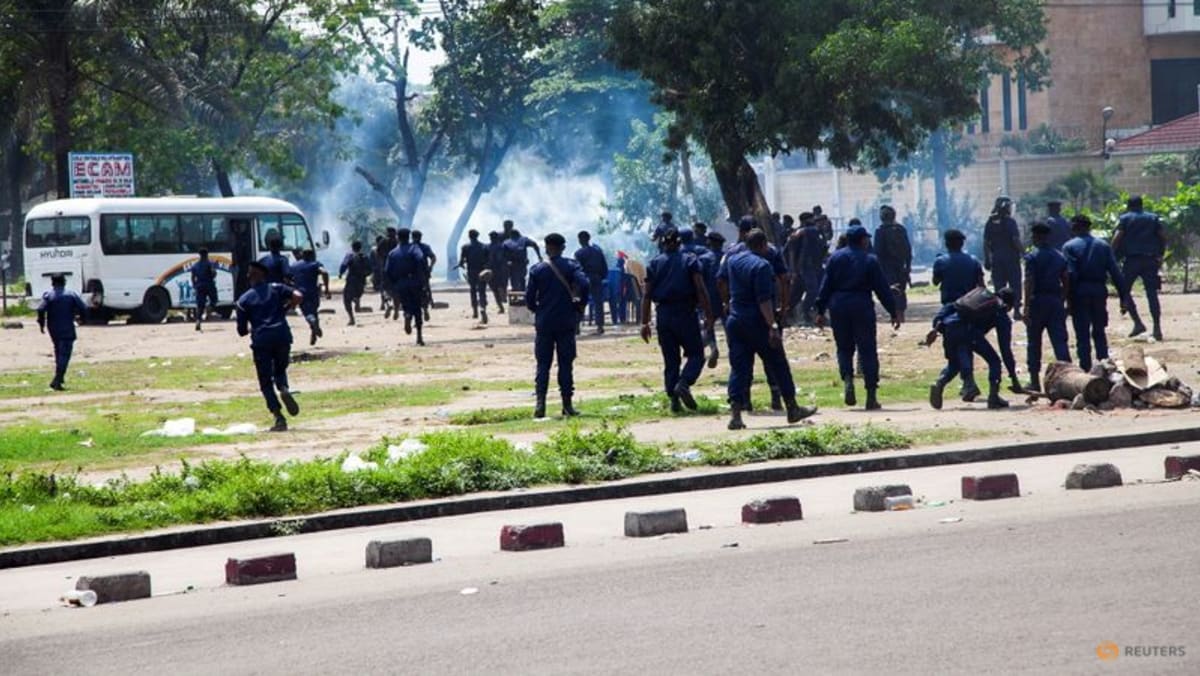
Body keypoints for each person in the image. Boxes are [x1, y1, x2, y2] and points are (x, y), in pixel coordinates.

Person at [719, 229, 816, 430]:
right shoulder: (762, 266)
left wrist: (727, 304)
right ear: (763, 245)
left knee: (739, 368)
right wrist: (772, 326)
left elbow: (723, 284)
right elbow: (764, 300)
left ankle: (736, 414)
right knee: (778, 363)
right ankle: (792, 407)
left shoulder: (733, 260)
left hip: (736, 321)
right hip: (758, 322)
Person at [814, 225, 902, 410]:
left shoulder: (835, 258)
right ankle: (871, 395)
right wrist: (893, 311)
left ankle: (848, 380)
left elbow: (825, 286)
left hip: (838, 306)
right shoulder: (870, 260)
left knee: (844, 348)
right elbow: (882, 289)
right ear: (862, 240)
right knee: (867, 348)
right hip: (861, 305)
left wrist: (820, 310)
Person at [640, 228, 715, 412]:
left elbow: (647, 295)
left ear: (663, 243)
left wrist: (644, 322)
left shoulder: (654, 263)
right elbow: (700, 289)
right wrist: (708, 314)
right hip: (686, 313)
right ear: (679, 242)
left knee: (671, 359)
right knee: (696, 354)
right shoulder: (689, 260)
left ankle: (674, 400)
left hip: (664, 315)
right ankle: (684, 382)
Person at [526, 233, 590, 418]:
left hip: (544, 322)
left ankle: (540, 405)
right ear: (562, 248)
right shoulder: (572, 266)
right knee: (565, 364)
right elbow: (584, 284)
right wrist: (580, 304)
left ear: (547, 248)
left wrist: (538, 309)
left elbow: (529, 299)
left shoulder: (537, 269)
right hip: (566, 321)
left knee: (543, 364)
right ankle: (567, 405)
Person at [236, 261, 302, 432]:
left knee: (265, 382)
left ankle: (279, 417)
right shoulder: (277, 288)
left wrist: (254, 326)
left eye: (250, 273)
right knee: (280, 370)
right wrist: (286, 308)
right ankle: (284, 388)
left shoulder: (244, 300)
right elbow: (298, 296)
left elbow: (241, 331)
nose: (248, 276)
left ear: (256, 275)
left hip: (261, 340)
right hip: (282, 335)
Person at [924, 288, 1015, 410]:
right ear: (1009, 305)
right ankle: (993, 397)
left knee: (955, 363)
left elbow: (952, 305)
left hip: (949, 327)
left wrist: (937, 324)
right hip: (968, 332)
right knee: (994, 361)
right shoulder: (1000, 311)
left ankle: (939, 383)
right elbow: (1005, 349)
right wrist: (1013, 376)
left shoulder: (978, 296)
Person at [1063, 214, 1128, 371]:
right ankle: (1103, 366)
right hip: (1099, 291)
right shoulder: (1103, 246)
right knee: (1099, 331)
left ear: (1075, 227)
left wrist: (1067, 299)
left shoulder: (1069, 246)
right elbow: (1116, 273)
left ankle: (1085, 368)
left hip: (1079, 292)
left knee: (1082, 334)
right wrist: (1123, 297)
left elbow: (1070, 275)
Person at [1022, 222, 1071, 391]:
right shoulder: (1059, 256)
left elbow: (1029, 282)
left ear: (1035, 236)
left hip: (1037, 302)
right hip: (1055, 301)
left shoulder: (1032, 257)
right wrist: (1062, 299)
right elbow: (1066, 280)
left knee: (1034, 343)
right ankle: (1068, 378)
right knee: (1060, 341)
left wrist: (1026, 306)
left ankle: (1034, 381)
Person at [1112, 195, 1166, 340]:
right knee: (1152, 294)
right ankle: (1157, 328)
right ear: (1142, 205)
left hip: (1132, 260)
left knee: (1124, 291)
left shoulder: (1125, 219)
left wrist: (1111, 256)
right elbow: (1162, 237)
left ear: (1129, 206)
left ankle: (1137, 322)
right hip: (1150, 260)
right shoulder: (1153, 218)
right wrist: (1161, 254)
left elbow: (1117, 238)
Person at [36, 274, 87, 391]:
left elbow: (40, 309)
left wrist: (41, 323)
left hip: (53, 328)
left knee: (58, 352)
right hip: (67, 328)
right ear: (64, 282)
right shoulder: (71, 294)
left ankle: (59, 377)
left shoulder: (48, 295)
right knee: (64, 354)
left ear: (52, 283)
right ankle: (57, 380)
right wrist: (82, 319)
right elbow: (83, 308)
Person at [386, 228, 430, 345]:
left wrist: (393, 286)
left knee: (406, 305)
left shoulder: (393, 253)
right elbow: (421, 259)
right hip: (415, 282)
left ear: (397, 237)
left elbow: (387, 271)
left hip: (401, 284)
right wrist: (424, 277)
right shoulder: (414, 248)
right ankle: (419, 337)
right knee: (417, 308)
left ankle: (407, 315)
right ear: (408, 236)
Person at [983, 196, 1023, 319]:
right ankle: (1016, 310)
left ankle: (1000, 311)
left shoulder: (990, 222)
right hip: (1011, 258)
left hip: (996, 259)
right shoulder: (1010, 222)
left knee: (999, 286)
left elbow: (985, 242)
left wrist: (987, 259)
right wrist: (1024, 252)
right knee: (1015, 284)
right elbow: (1015, 240)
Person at [872, 205, 912, 316]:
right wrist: (908, 265)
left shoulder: (880, 231)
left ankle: (895, 312)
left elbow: (877, 251)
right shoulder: (901, 229)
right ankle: (901, 311)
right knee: (901, 289)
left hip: (886, 265)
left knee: (892, 288)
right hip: (901, 264)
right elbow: (908, 249)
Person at [932, 229, 985, 305]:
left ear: (946, 244)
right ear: (962, 244)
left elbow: (935, 282)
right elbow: (981, 286)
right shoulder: (974, 260)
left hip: (950, 302)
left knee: (939, 317)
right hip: (970, 303)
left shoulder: (940, 261)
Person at [290, 249, 330, 345]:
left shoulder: (294, 266)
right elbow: (324, 272)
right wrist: (327, 288)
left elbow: (288, 278)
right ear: (312, 255)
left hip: (301, 293)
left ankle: (313, 325)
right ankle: (313, 332)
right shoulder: (315, 264)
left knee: (308, 313)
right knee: (314, 312)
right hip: (313, 292)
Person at [574, 231, 609, 334]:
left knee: (580, 302)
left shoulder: (578, 253)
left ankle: (577, 326)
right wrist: (600, 277)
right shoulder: (598, 252)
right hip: (597, 278)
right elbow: (604, 268)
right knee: (598, 302)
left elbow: (577, 269)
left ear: (580, 240)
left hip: (584, 279)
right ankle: (600, 326)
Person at [457, 229, 491, 323]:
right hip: (482, 272)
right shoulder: (484, 246)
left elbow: (461, 261)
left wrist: (462, 264)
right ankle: (483, 308)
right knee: (482, 291)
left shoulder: (465, 247)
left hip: (471, 272)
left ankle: (475, 311)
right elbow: (488, 260)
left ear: (469, 236)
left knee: (473, 291)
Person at [338, 240, 373, 326]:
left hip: (352, 280)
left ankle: (351, 318)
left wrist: (341, 273)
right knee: (357, 294)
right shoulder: (365, 256)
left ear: (352, 247)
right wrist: (364, 275)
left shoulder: (350, 255)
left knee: (346, 299)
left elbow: (344, 265)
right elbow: (370, 269)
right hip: (361, 280)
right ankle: (356, 299)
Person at [504, 228, 542, 292]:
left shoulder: (506, 242)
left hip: (513, 264)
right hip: (521, 263)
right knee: (521, 278)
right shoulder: (524, 239)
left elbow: (502, 254)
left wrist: (505, 262)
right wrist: (539, 256)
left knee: (514, 279)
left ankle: (517, 292)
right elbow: (534, 245)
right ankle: (522, 293)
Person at [191, 248, 218, 332]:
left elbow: (192, 278)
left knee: (200, 305)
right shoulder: (209, 264)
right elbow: (213, 274)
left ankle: (198, 320)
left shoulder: (195, 265)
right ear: (206, 255)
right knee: (214, 300)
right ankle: (209, 310)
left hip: (199, 286)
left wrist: (195, 286)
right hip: (209, 285)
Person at [412, 230, 436, 322]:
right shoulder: (425, 247)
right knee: (424, 292)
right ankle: (425, 308)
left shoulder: (409, 247)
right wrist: (430, 267)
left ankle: (418, 313)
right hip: (423, 274)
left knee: (413, 294)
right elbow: (433, 258)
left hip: (412, 275)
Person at [376, 228, 398, 320]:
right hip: (397, 269)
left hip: (385, 269)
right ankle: (396, 309)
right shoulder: (398, 241)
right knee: (397, 290)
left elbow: (378, 253)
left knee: (385, 289)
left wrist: (381, 263)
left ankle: (387, 304)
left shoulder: (383, 242)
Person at [486, 231, 508, 314]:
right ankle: (503, 301)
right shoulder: (503, 246)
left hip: (493, 270)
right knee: (502, 287)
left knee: (495, 290)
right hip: (502, 270)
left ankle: (501, 307)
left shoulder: (488, 247)